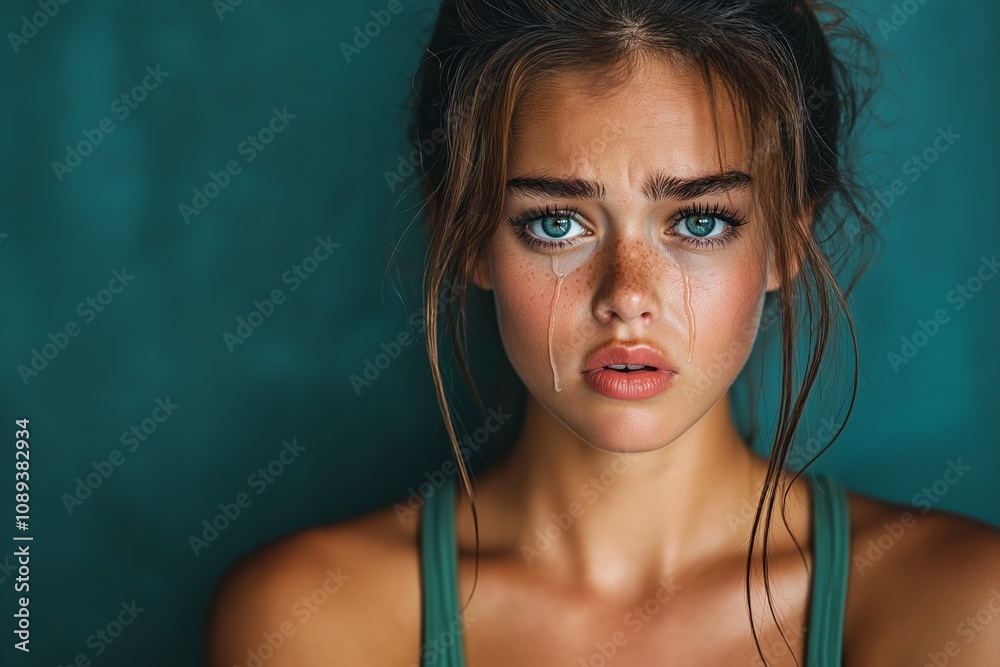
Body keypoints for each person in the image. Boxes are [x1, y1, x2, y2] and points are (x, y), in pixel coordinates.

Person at [205, 1, 1000, 664]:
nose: (626, 296)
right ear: (467, 236)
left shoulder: (957, 604)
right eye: (556, 223)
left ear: (789, 240)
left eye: (699, 221)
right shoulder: (315, 619)